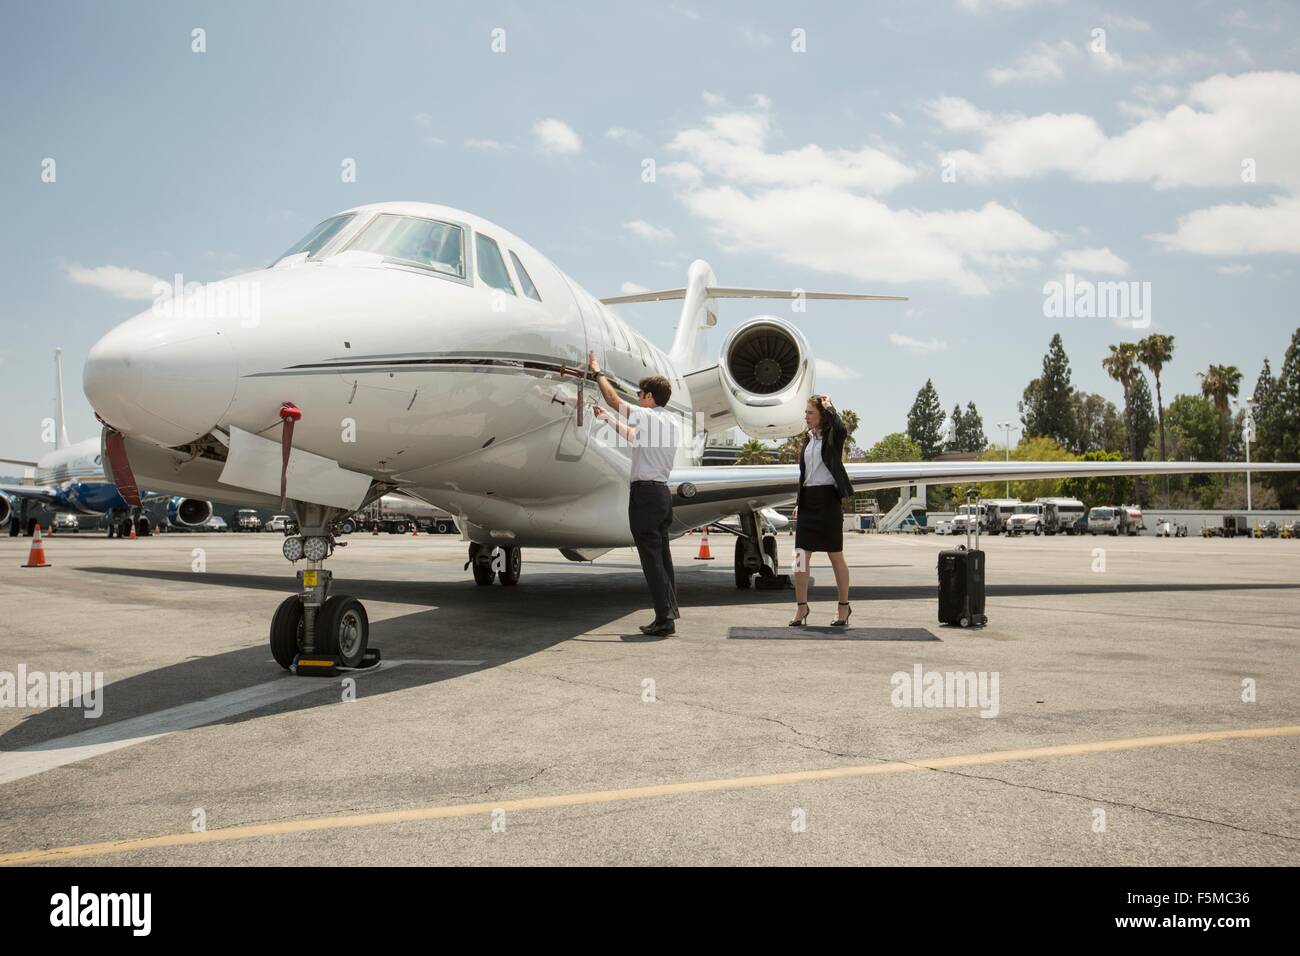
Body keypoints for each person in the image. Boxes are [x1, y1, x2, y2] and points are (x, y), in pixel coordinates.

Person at [587, 350, 683, 636]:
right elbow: (632, 436)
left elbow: (613, 400)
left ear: (650, 396)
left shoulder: (646, 415)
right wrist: (606, 419)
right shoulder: (670, 421)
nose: (638, 398)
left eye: (640, 394)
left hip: (645, 496)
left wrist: (597, 372)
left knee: (651, 559)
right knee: (662, 556)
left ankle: (663, 618)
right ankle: (669, 612)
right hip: (662, 494)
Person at [790, 395, 855, 627]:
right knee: (800, 557)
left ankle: (843, 607)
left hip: (828, 500)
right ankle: (801, 607)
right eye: (806, 412)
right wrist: (800, 502)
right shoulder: (807, 440)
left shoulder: (832, 438)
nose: (806, 416)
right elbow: (806, 475)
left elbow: (840, 427)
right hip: (808, 501)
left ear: (821, 416)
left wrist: (829, 406)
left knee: (835, 555)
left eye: (810, 413)